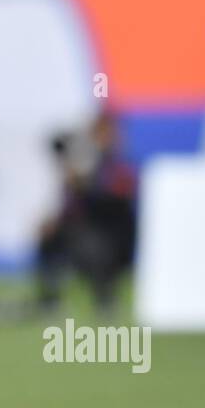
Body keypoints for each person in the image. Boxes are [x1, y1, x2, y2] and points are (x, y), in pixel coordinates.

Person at [35, 113, 137, 318]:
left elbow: (116, 202)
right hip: (79, 230)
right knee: (48, 238)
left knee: (97, 246)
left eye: (107, 133)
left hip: (110, 233)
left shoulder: (118, 167)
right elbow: (56, 143)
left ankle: (105, 301)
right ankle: (49, 301)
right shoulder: (82, 160)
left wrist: (85, 186)